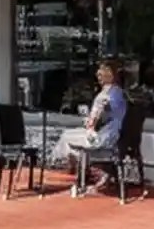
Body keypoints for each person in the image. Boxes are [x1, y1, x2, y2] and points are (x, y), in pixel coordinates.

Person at [55, 60, 128, 191]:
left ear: (109, 75)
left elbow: (98, 120)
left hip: (102, 137)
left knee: (66, 137)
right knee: (74, 134)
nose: (98, 76)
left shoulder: (105, 96)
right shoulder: (119, 93)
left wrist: (89, 121)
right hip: (115, 134)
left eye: (101, 73)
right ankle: (87, 169)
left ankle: (82, 170)